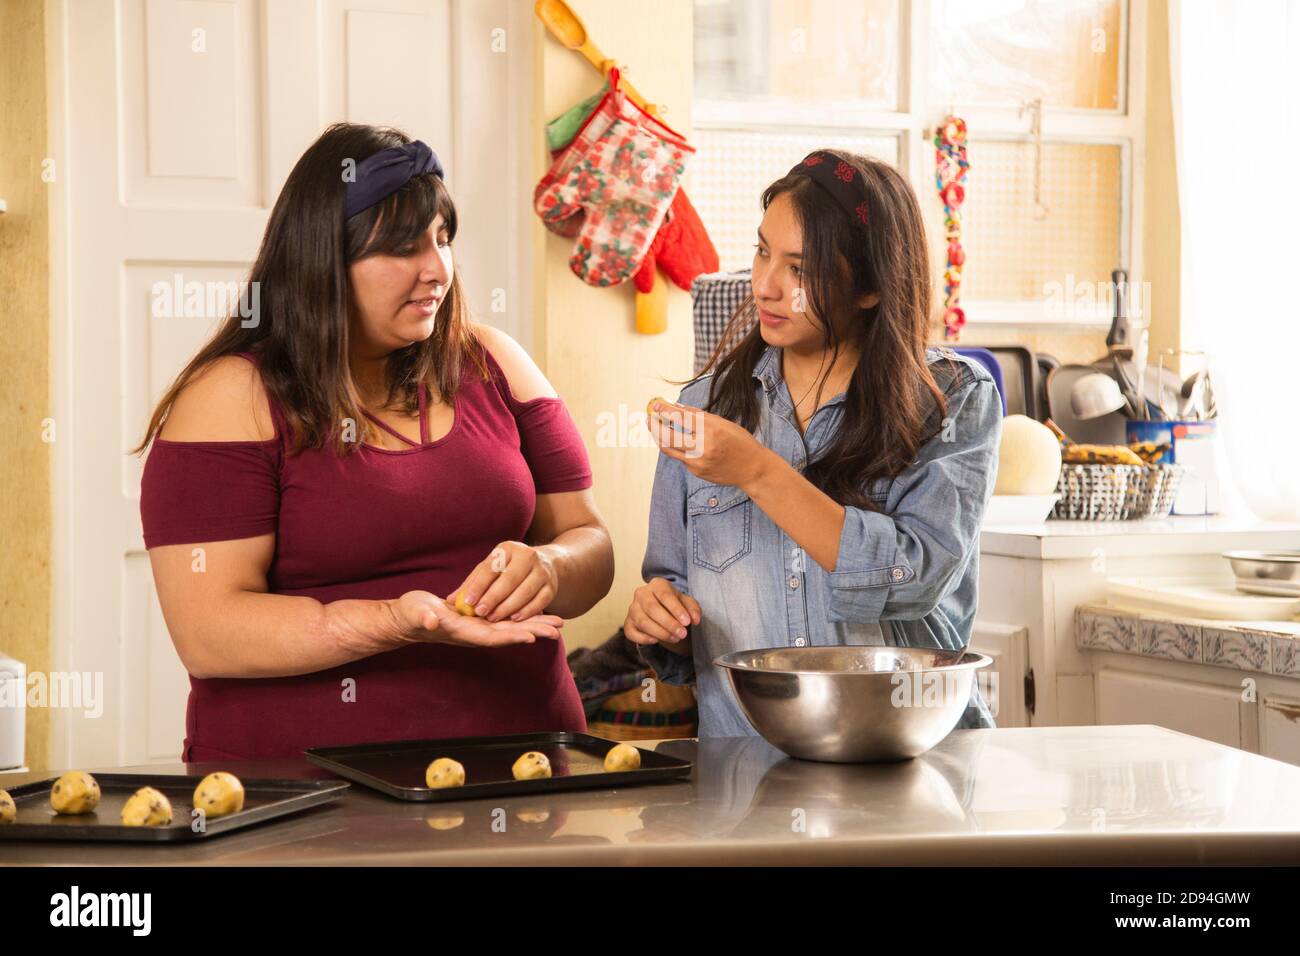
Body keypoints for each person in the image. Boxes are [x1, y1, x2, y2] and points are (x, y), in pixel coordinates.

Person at [136, 123, 614, 760]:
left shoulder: (495, 362)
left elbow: (591, 542)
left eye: (444, 240)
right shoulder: (231, 398)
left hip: (521, 764)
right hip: (303, 796)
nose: (437, 269)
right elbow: (208, 632)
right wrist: (400, 621)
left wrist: (550, 568)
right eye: (402, 248)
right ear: (322, 261)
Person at [625, 149, 1001, 737]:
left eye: (801, 269)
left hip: (909, 763)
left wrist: (758, 472)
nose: (767, 287)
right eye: (761, 251)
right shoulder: (705, 408)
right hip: (750, 775)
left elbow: (913, 577)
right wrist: (657, 616)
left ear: (871, 288)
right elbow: (673, 591)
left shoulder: (951, 400)